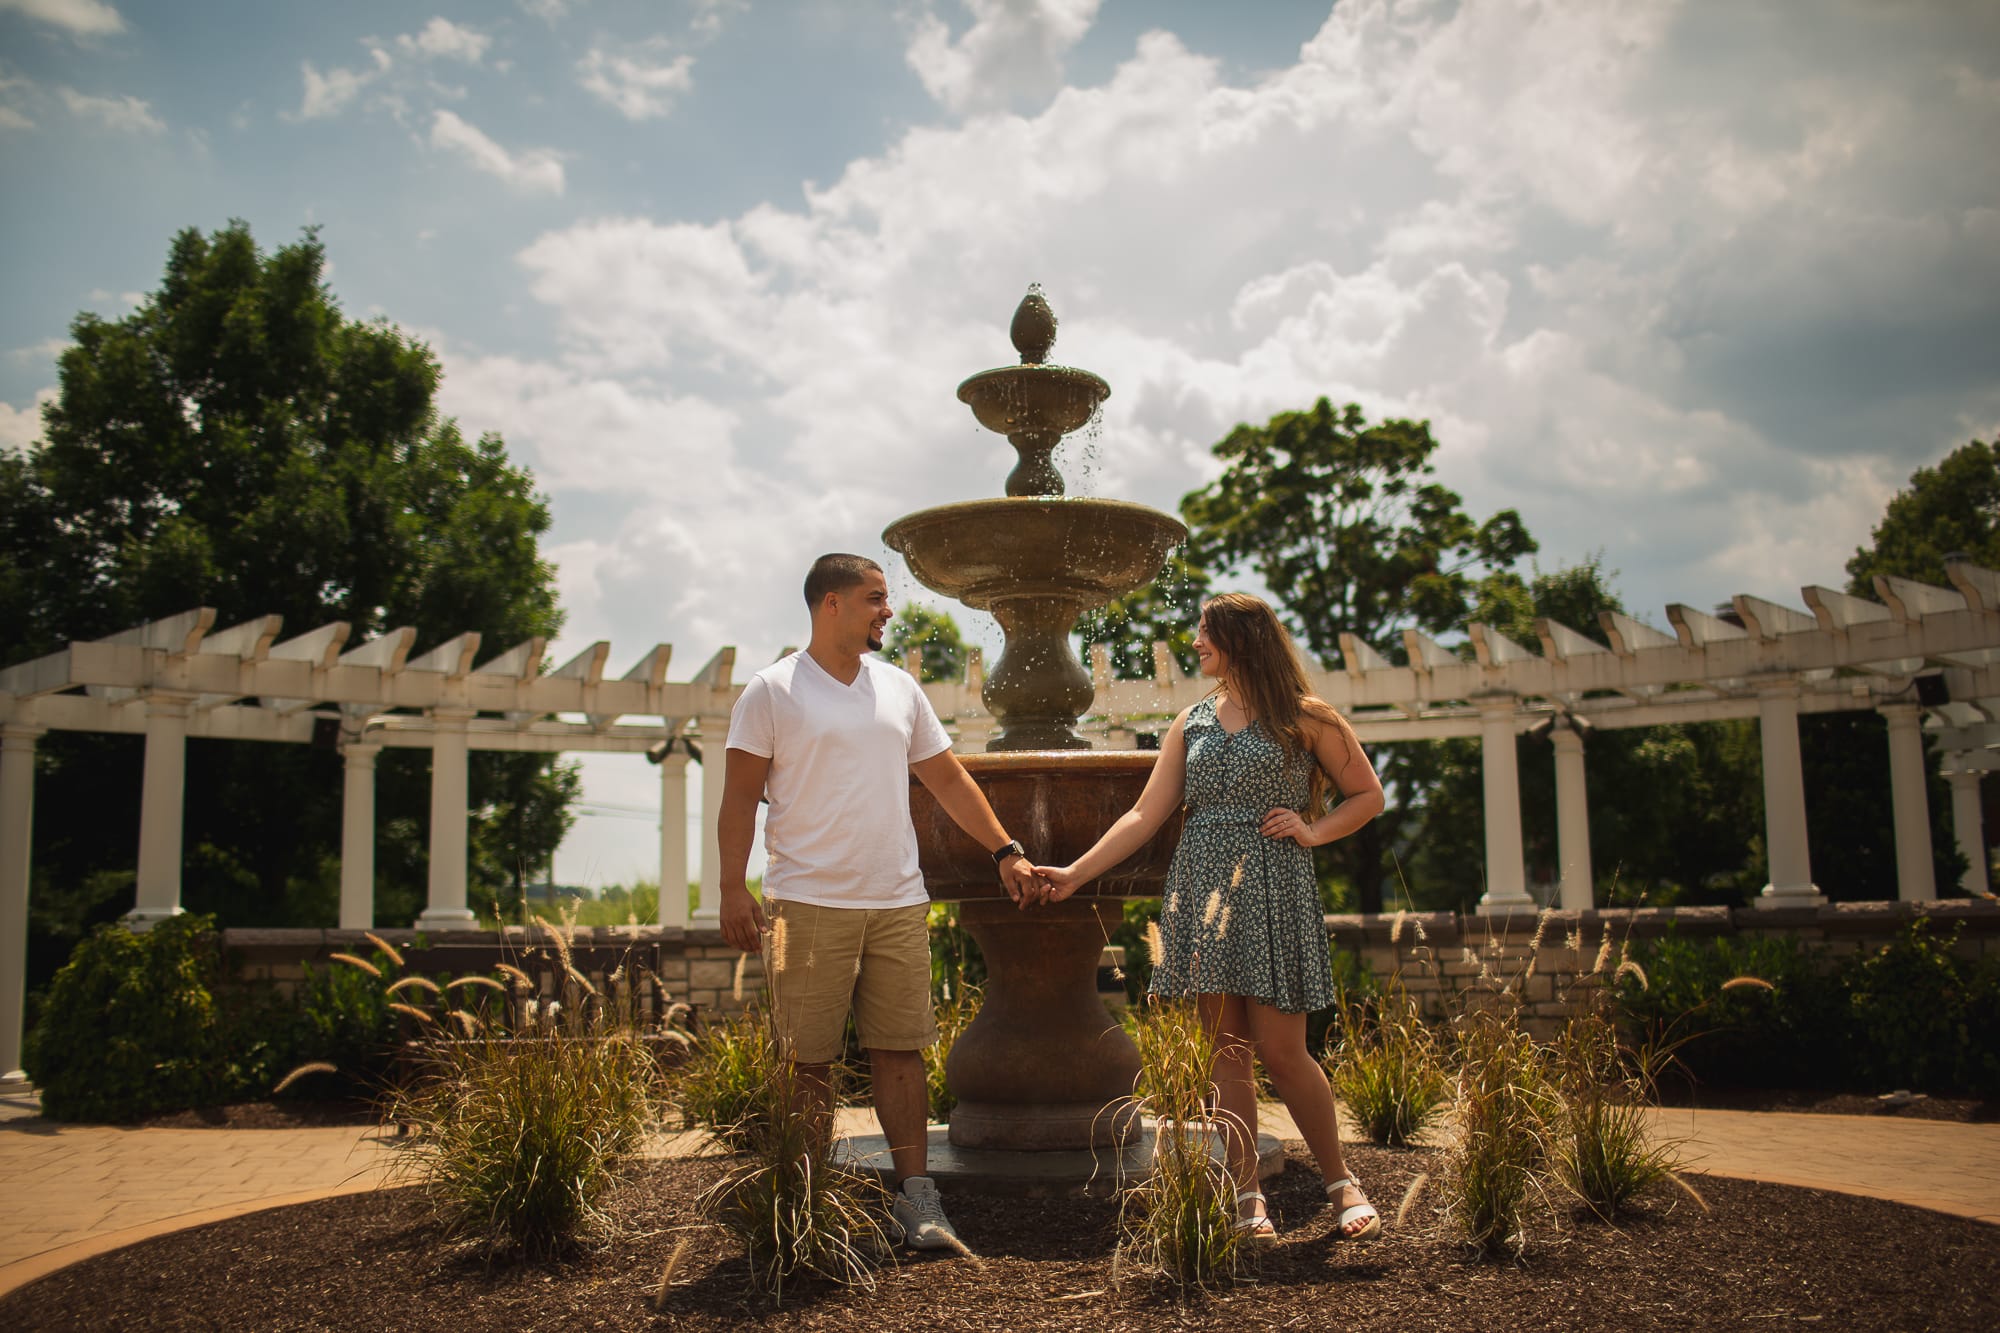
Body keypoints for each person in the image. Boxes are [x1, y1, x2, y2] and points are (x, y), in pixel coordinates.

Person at [717, 552, 1045, 1252]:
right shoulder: (771, 692)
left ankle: (917, 1199)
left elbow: (950, 782)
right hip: (805, 902)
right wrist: (729, 887)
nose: (886, 611)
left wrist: (1005, 849)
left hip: (897, 900)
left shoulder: (899, 688)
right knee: (807, 1061)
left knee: (902, 1051)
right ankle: (803, 1203)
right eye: (874, 598)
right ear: (829, 603)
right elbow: (739, 800)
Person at [1036, 592, 1387, 1242]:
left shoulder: (1306, 717)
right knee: (1227, 1053)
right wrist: (1075, 873)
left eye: (1205, 633)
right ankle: (1246, 1192)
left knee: (1284, 1051)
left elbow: (1368, 794)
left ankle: (1342, 1181)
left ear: (1240, 639)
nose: (1195, 643)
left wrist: (1313, 830)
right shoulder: (1190, 721)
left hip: (1275, 886)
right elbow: (1145, 815)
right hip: (1204, 891)